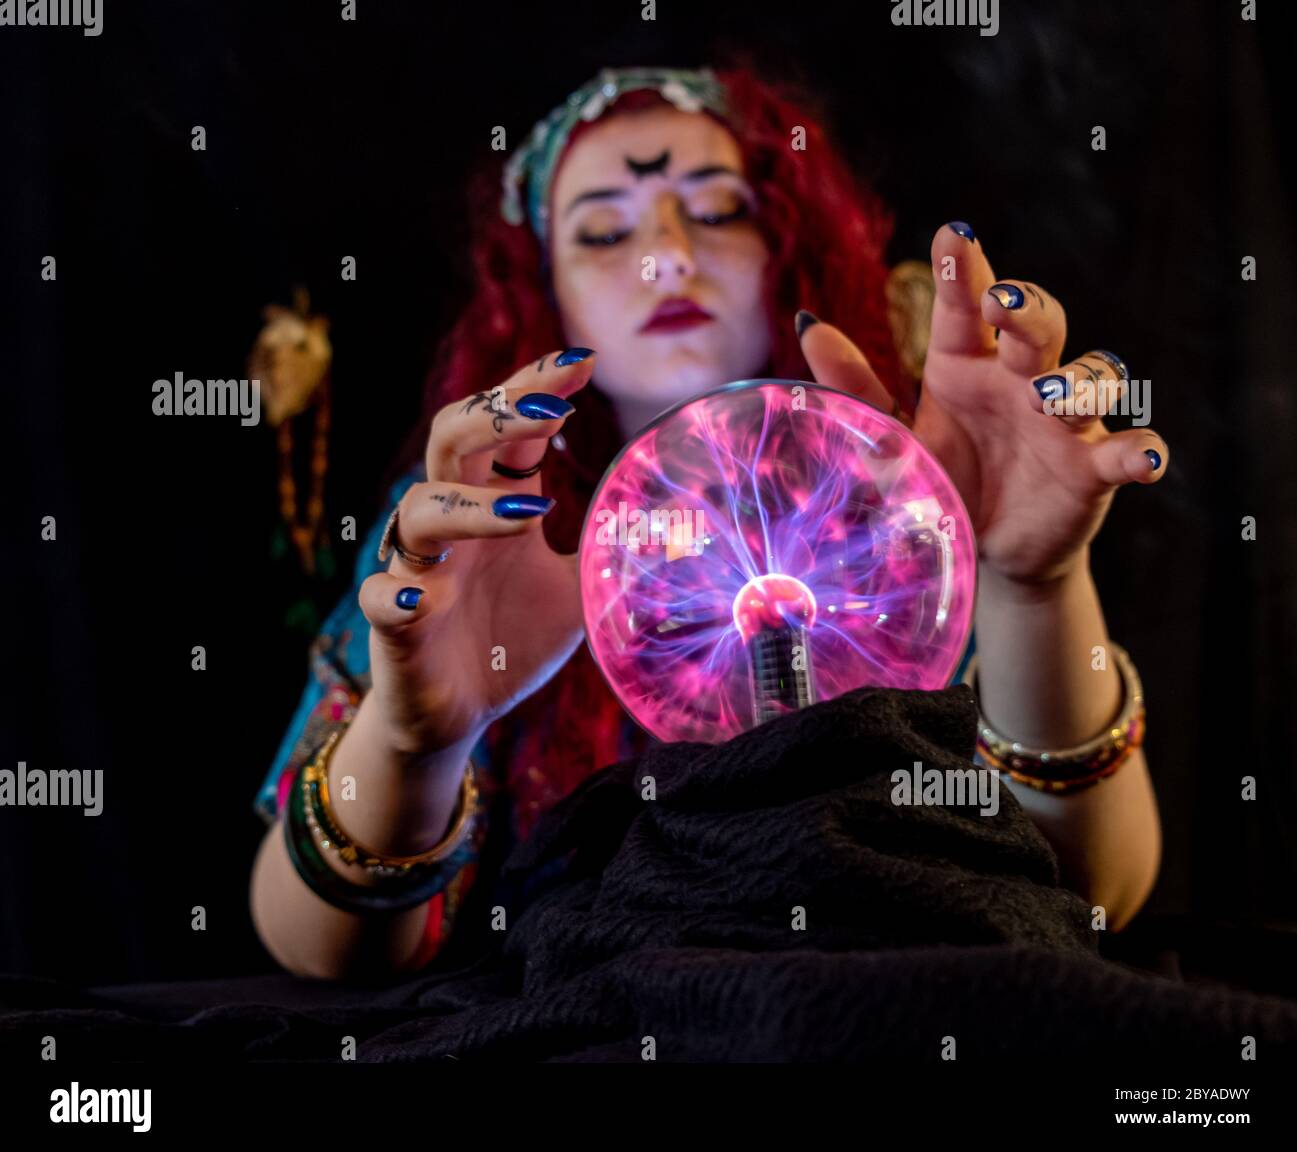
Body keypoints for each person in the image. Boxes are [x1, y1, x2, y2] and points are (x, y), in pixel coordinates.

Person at [249, 63, 1164, 983]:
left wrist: (1030, 584)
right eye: (605, 230)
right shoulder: (473, 529)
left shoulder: (906, 508)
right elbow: (316, 948)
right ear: (544, 293)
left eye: (719, 210)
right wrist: (416, 745)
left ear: (787, 250)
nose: (669, 255)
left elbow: (1095, 898)